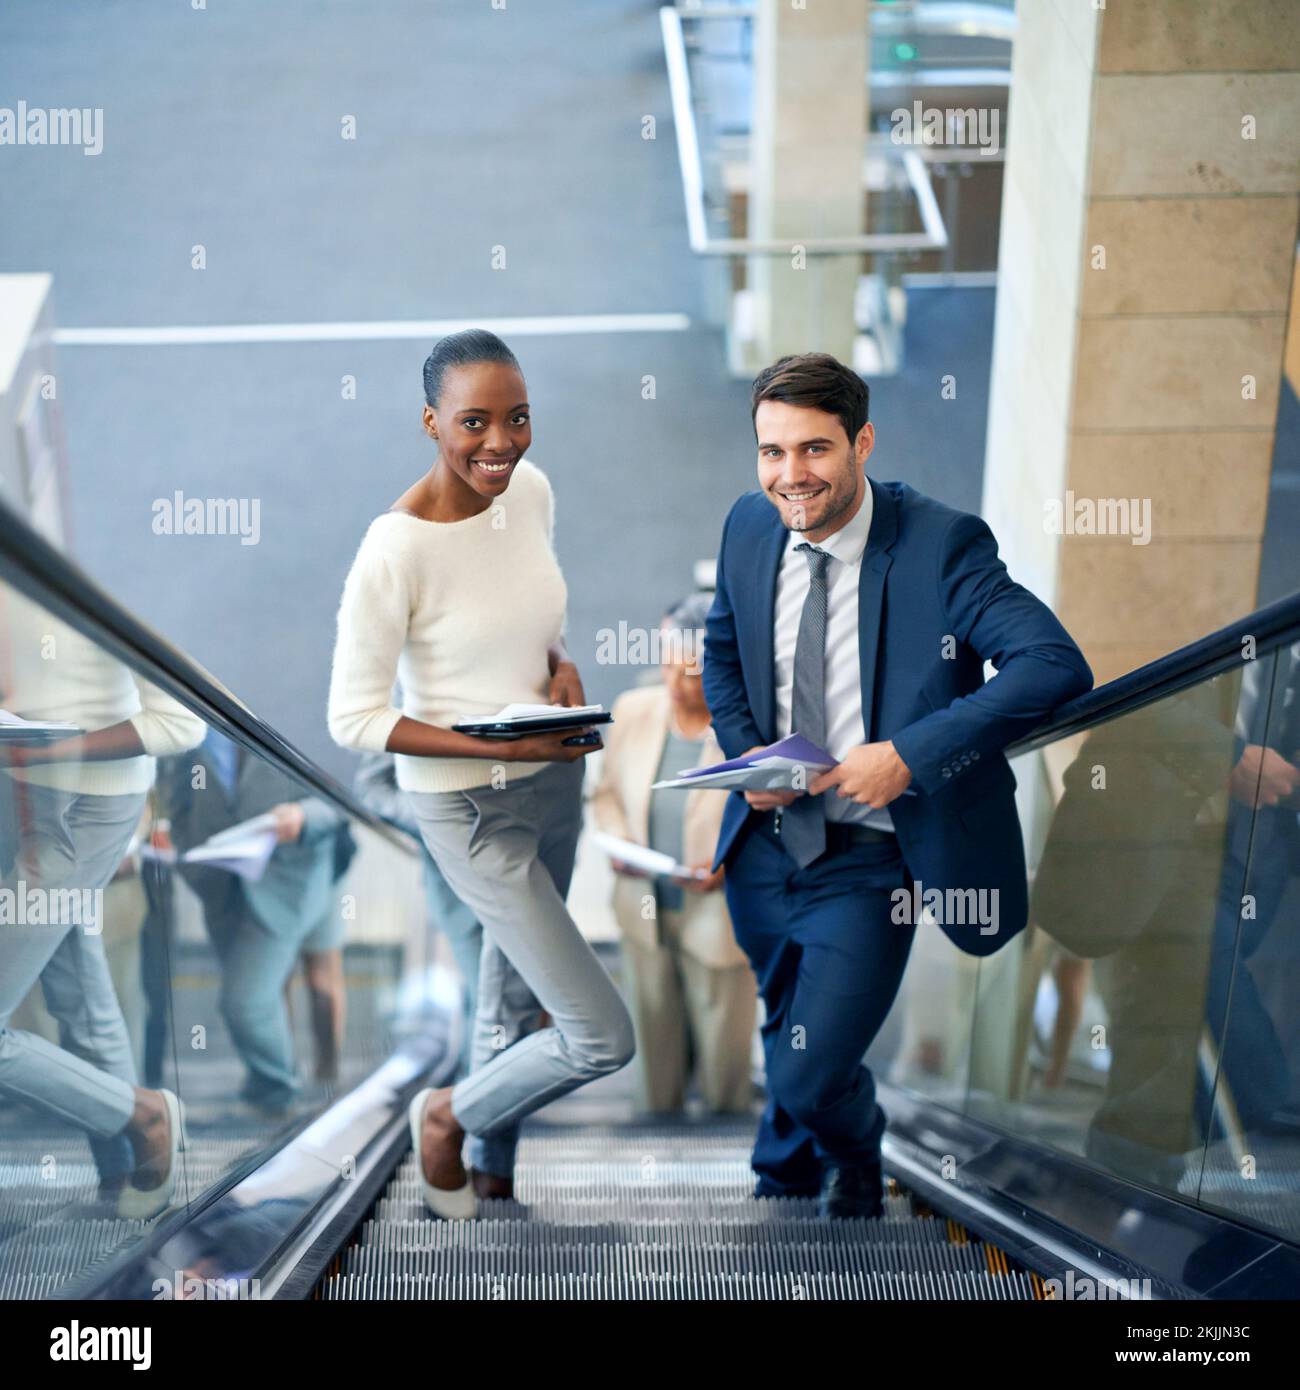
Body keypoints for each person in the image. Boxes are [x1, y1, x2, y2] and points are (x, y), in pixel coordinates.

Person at [702, 352, 1093, 1218]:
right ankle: (789, 1173)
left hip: (875, 864)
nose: (789, 476)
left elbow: (1054, 664)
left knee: (807, 1066)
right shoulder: (748, 524)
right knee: (783, 1021)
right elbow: (722, 652)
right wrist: (748, 758)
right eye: (771, 452)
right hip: (767, 844)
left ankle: (857, 1146)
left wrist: (910, 753)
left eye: (814, 450)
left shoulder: (941, 545)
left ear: (862, 442)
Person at [328, 328, 634, 1219]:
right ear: (431, 422)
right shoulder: (396, 549)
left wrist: (561, 663)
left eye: (518, 418)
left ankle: (495, 1176)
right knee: (597, 1035)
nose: (501, 443)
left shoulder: (530, 492)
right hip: (469, 809)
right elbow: (355, 717)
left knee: (510, 994)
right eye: (474, 422)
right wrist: (494, 749)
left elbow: (533, 611)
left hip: (555, 774)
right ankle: (448, 1115)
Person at [0, 592, 204, 1219]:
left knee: (71, 985)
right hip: (19, 793)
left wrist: (54, 751)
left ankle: (141, 1116)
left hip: (85, 801)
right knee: (77, 988)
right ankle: (123, 1170)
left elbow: (182, 723)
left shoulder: (117, 568)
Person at [592, 593, 757, 1114]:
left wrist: (729, 859)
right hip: (645, 902)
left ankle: (728, 1141)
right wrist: (621, 845)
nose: (676, 683)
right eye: (668, 664)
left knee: (724, 1048)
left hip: (720, 906)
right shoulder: (634, 710)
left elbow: (774, 808)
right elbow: (607, 794)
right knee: (653, 1044)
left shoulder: (749, 722)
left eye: (691, 672)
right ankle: (655, 1137)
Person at [160, 728, 354, 1115]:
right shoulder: (192, 722)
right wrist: (188, 851)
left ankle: (311, 1081)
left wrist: (304, 814)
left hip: (303, 872)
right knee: (265, 987)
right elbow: (176, 794)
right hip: (223, 878)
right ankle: (285, 1079)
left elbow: (347, 794)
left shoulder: (292, 706)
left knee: (316, 983)